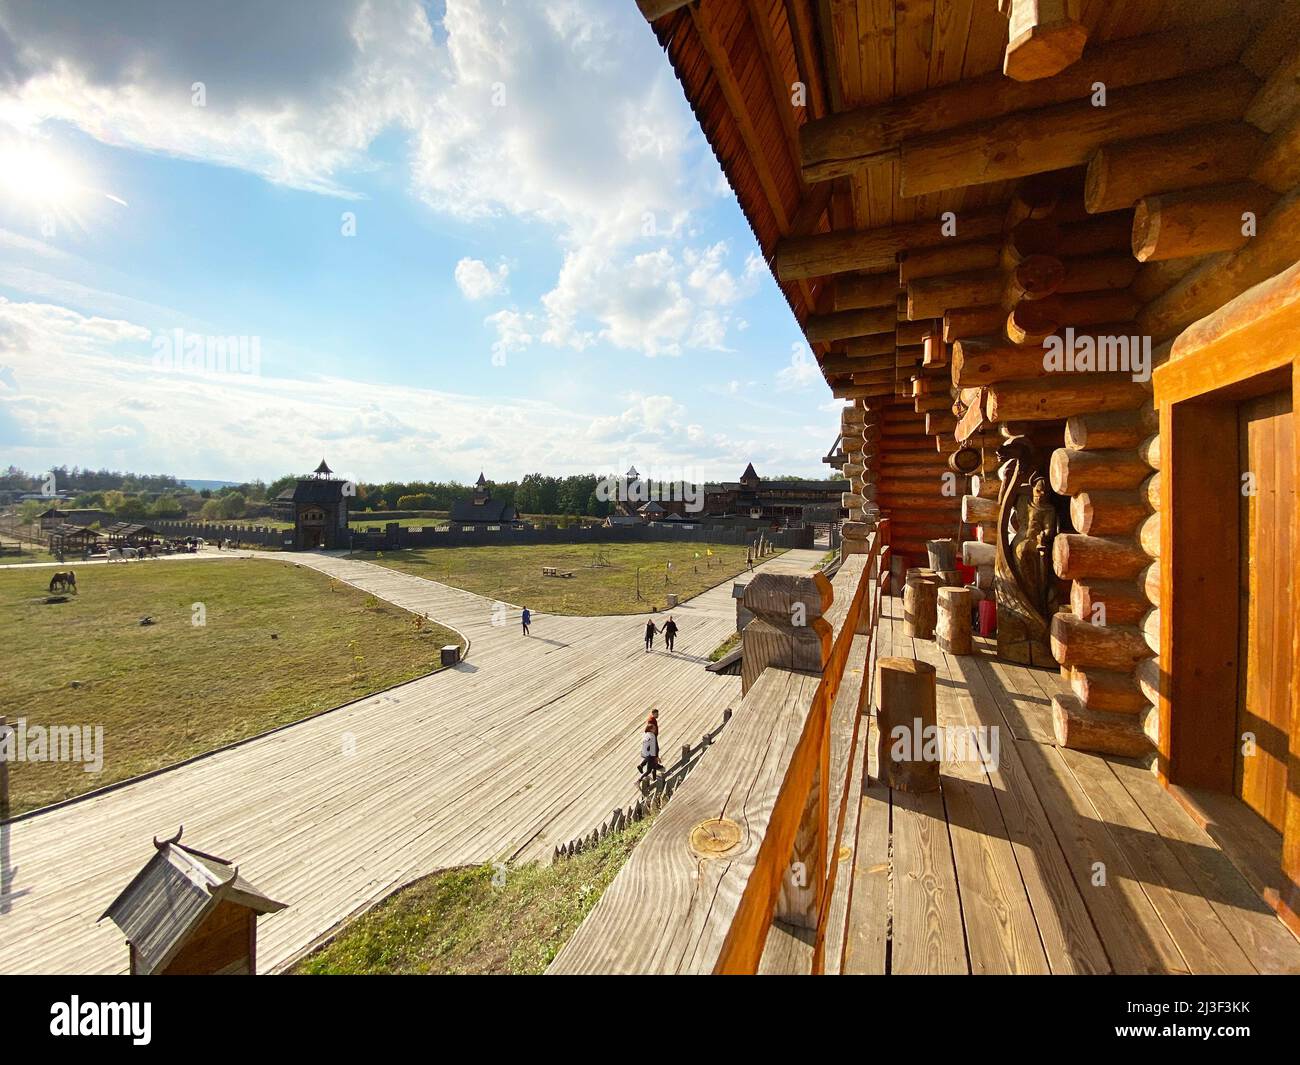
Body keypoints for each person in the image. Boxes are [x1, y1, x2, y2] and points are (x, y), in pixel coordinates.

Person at [638, 709, 661, 779]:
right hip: (651, 743)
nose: (658, 715)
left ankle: (642, 766)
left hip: (651, 743)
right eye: (657, 714)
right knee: (650, 768)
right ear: (653, 713)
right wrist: (656, 756)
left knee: (652, 758)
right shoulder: (651, 721)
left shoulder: (652, 720)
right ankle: (640, 779)